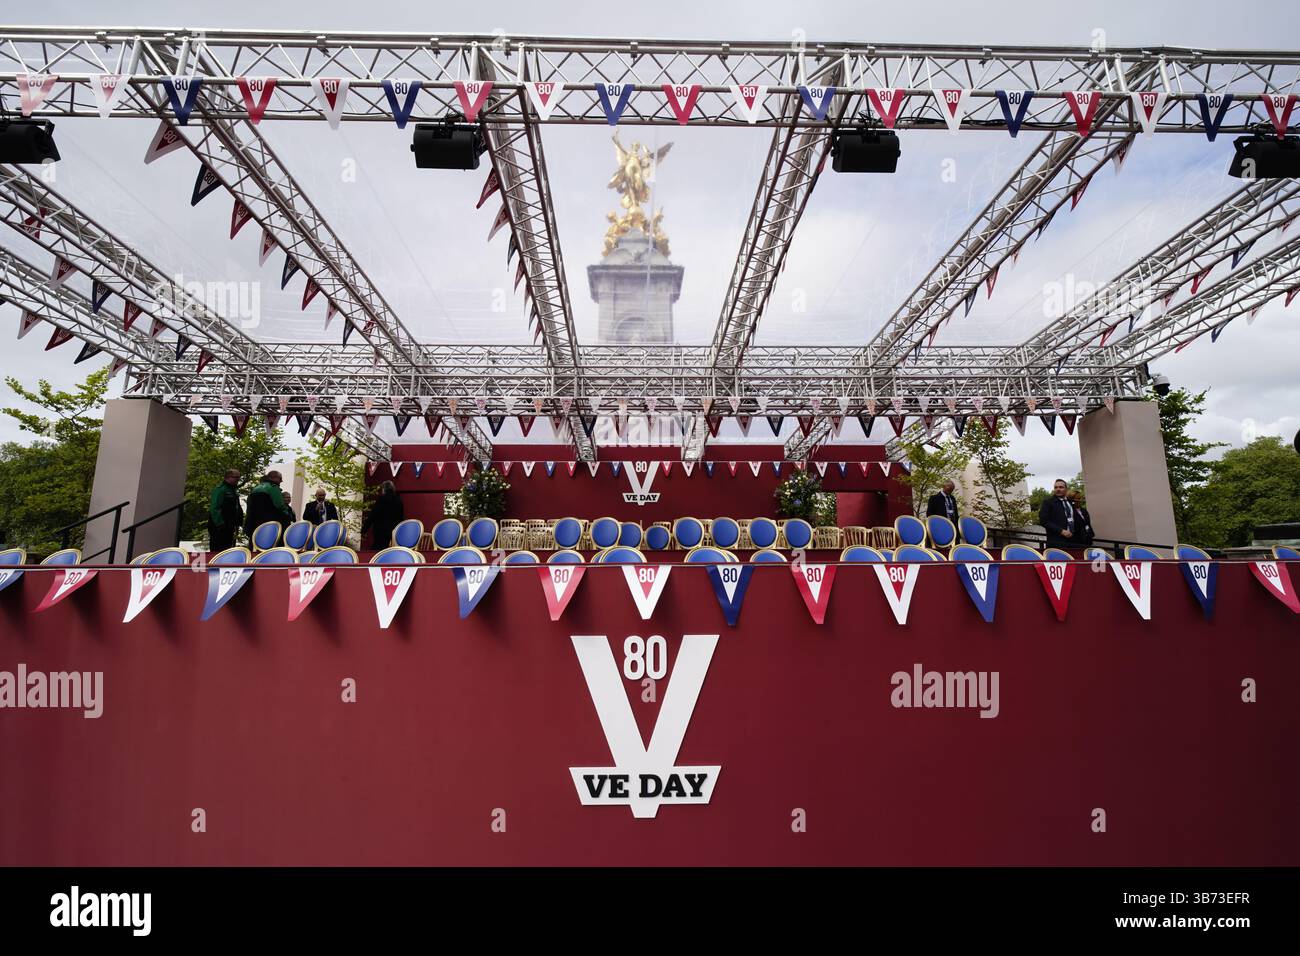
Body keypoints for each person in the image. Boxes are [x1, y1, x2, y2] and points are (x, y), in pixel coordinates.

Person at [243, 471, 294, 537]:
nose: (281, 481)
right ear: (273, 478)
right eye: (280, 478)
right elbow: (280, 506)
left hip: (254, 525)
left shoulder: (255, 489)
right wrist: (288, 516)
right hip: (270, 527)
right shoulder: (273, 488)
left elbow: (249, 508)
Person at [1039, 478, 1082, 552]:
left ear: (1066, 489)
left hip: (1074, 542)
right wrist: (1061, 531)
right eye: (1056, 487)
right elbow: (1044, 521)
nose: (1058, 489)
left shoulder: (1070, 502)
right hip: (1057, 543)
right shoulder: (1048, 502)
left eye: (1061, 487)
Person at [207, 469, 243, 553]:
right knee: (218, 549)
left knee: (227, 549)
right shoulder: (220, 489)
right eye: (236, 478)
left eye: (239, 478)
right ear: (228, 477)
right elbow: (215, 508)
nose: (238, 480)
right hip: (220, 526)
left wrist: (238, 521)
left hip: (230, 525)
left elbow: (236, 507)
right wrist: (220, 524)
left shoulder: (232, 490)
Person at [362, 480, 404, 550]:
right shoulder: (399, 500)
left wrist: (364, 530)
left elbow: (373, 515)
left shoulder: (382, 499)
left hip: (381, 530)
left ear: (383, 489)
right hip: (394, 530)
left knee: (377, 549)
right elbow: (401, 517)